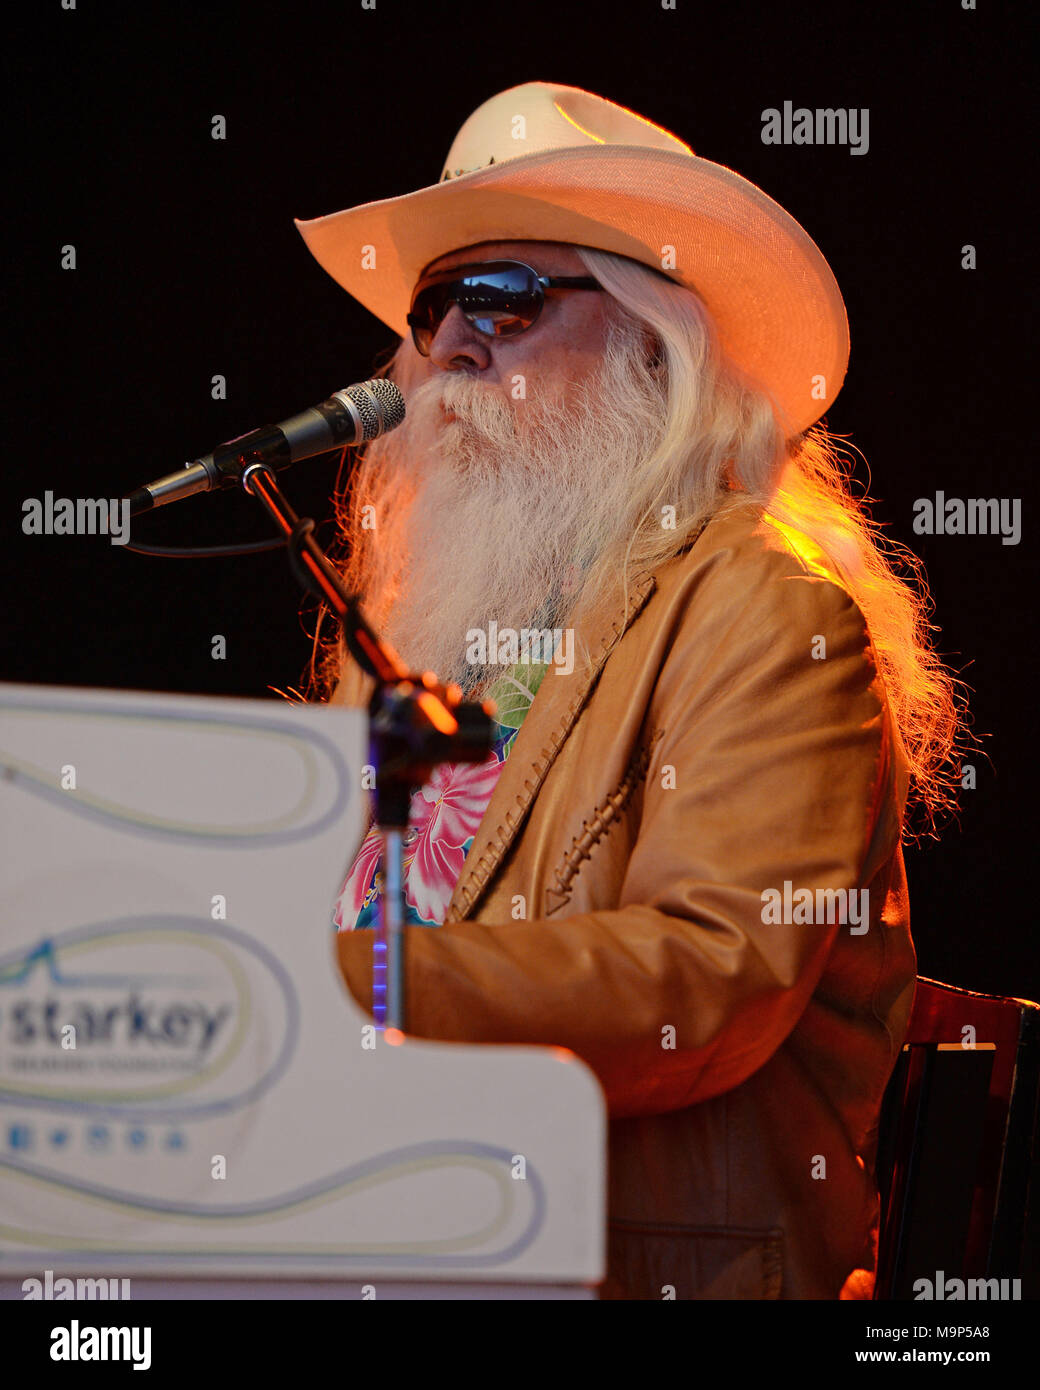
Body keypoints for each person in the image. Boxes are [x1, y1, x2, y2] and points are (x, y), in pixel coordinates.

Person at [292, 82, 965, 1299]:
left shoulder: (769, 613)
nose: (449, 343)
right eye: (432, 305)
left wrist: (330, 985)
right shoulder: (419, 637)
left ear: (656, 343)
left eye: (503, 295)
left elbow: (707, 976)